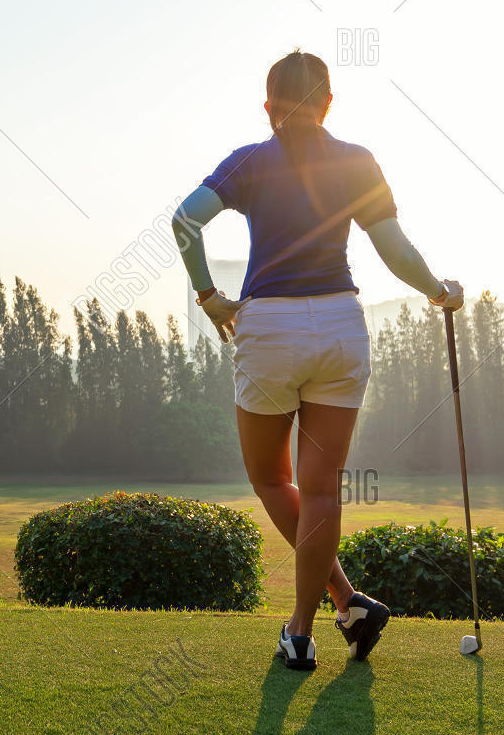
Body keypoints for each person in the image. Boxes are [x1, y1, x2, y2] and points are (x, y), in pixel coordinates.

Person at [172, 49, 464, 671]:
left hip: (270, 329)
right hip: (339, 325)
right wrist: (439, 290)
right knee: (323, 489)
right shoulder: (358, 160)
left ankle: (307, 627)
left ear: (269, 105)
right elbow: (392, 247)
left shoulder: (249, 160)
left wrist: (208, 297)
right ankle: (336, 611)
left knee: (273, 479)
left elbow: (185, 220)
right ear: (330, 101)